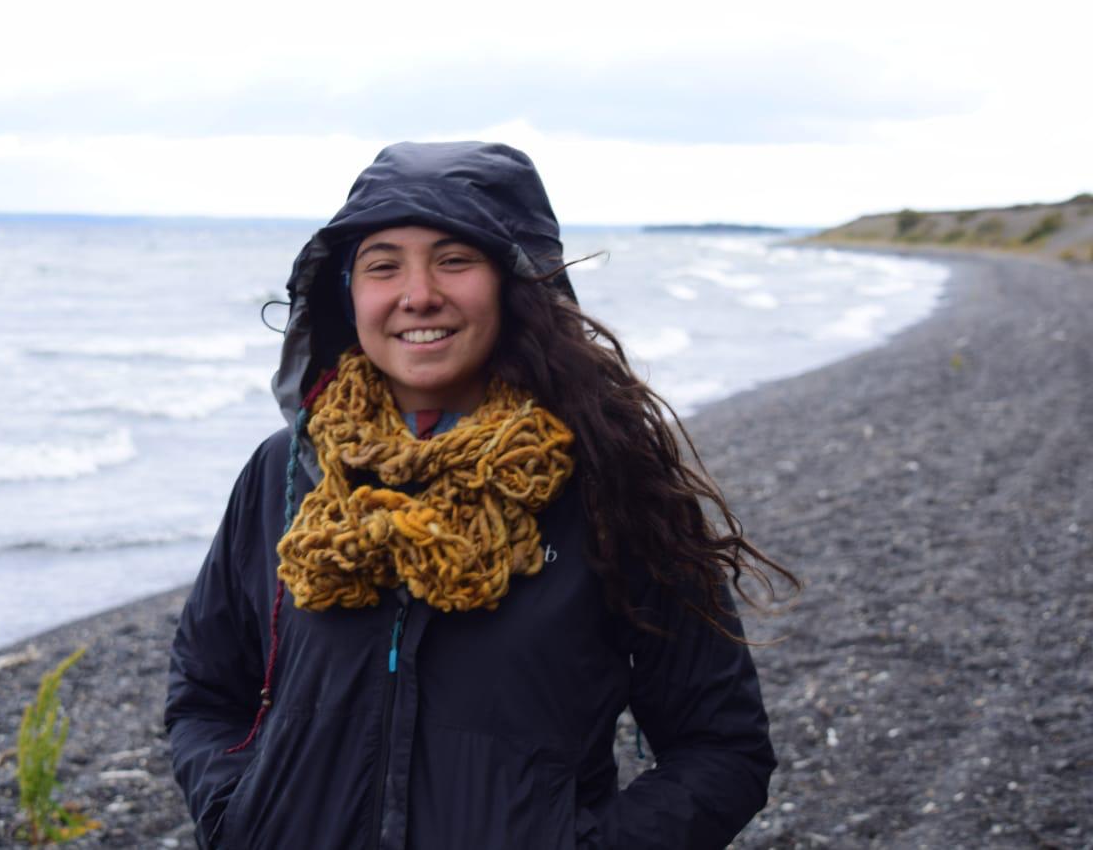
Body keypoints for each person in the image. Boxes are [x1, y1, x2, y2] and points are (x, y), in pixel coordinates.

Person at [165, 141, 797, 849]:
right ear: (346, 292)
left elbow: (722, 745)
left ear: (514, 283)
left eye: (454, 259)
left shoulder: (609, 479)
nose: (418, 293)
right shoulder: (287, 472)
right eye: (383, 264)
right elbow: (204, 694)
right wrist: (241, 817)